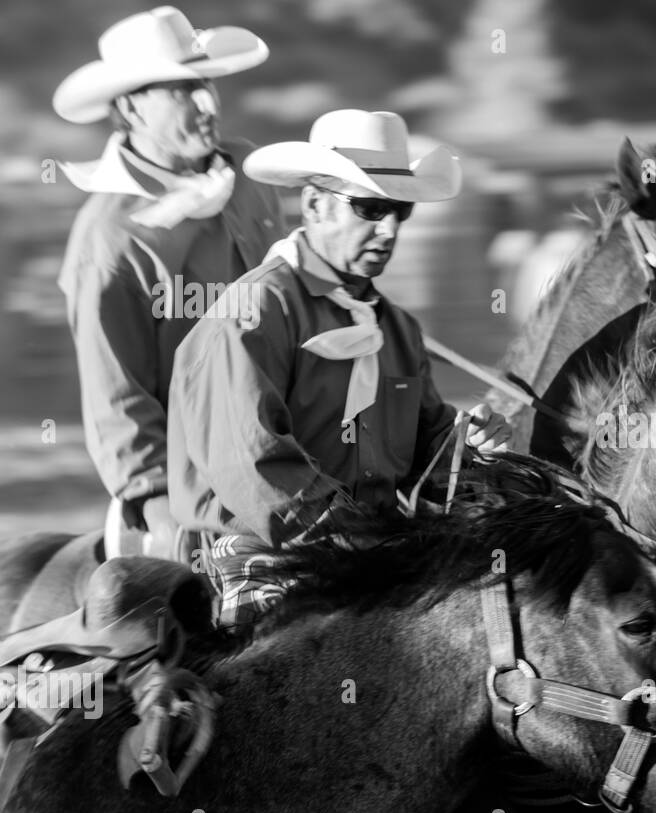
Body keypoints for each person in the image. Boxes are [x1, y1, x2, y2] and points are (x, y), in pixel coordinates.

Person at [168, 109, 511, 622]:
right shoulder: (252, 316)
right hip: (260, 555)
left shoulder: (397, 328)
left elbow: (429, 456)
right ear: (315, 206)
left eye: (400, 210)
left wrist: (469, 448)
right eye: (371, 208)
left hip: (372, 546)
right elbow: (255, 469)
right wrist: (362, 541)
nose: (390, 228)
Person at [53, 6, 284, 560]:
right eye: (181, 91)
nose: (207, 102)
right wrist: (163, 510)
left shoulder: (252, 175)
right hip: (194, 491)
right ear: (130, 107)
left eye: (205, 82)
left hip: (286, 454)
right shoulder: (107, 244)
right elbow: (118, 401)